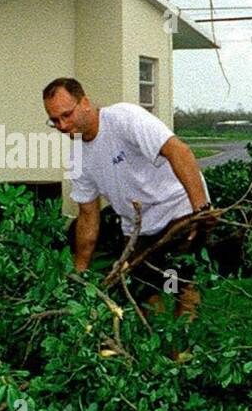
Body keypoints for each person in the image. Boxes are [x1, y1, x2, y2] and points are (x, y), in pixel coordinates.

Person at [43, 77, 214, 319]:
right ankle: (157, 349)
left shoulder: (125, 119)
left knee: (177, 284)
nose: (61, 125)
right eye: (54, 120)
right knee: (144, 295)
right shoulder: (77, 158)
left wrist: (202, 211)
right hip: (137, 227)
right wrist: (78, 274)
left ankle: (183, 352)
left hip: (177, 209)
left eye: (66, 115)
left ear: (85, 103)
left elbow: (179, 151)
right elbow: (88, 216)